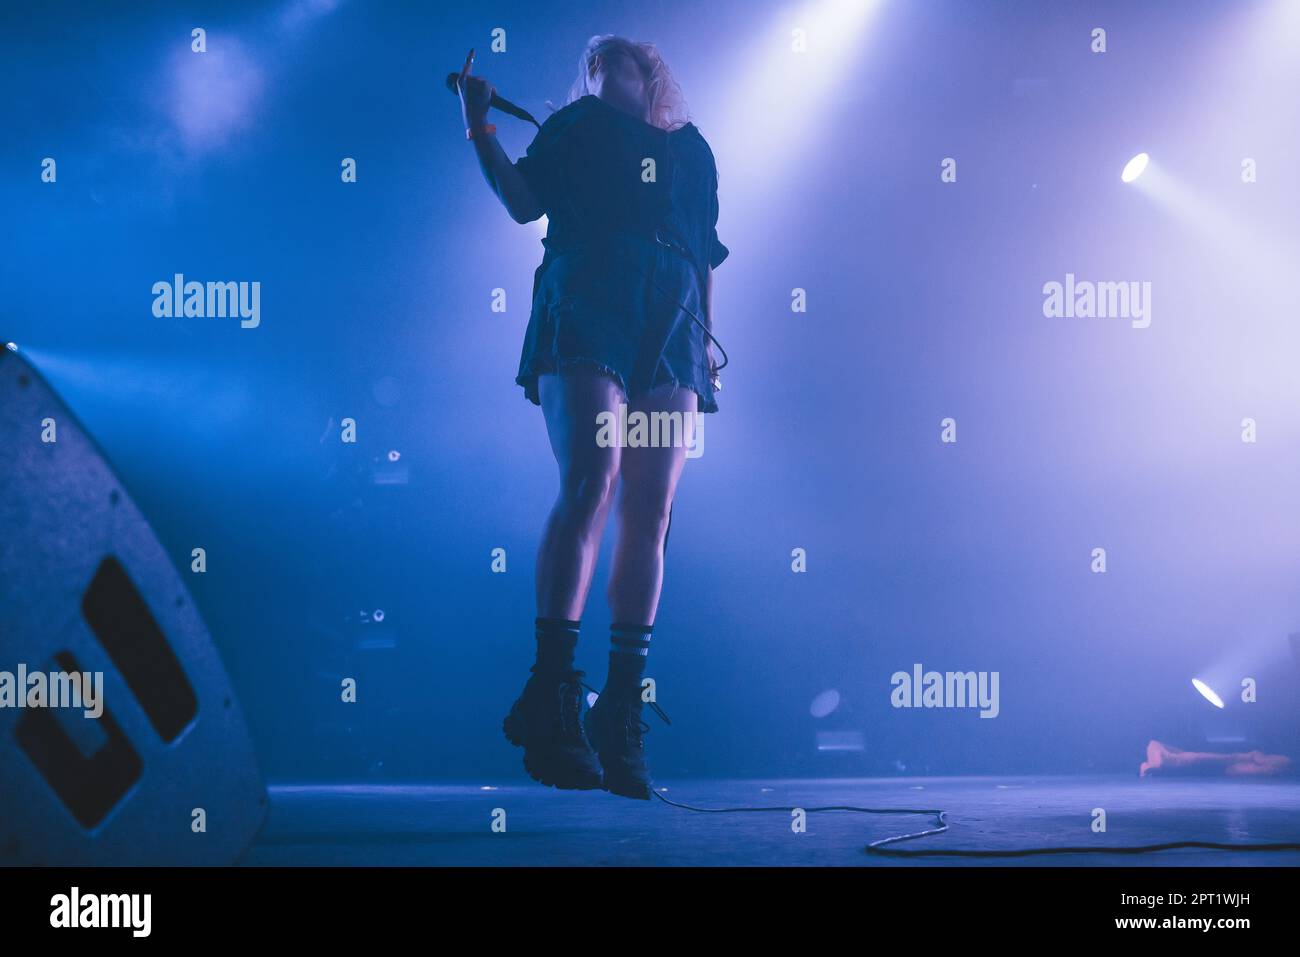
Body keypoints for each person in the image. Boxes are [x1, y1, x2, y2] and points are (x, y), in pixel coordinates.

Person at [456, 35, 729, 799]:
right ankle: (552, 693)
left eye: (619, 60)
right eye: (594, 63)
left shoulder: (695, 151)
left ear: (650, 73)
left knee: (653, 506)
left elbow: (704, 252)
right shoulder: (573, 126)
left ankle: (619, 707)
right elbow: (520, 201)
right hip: (591, 298)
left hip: (672, 320)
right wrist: (479, 126)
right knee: (592, 478)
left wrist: (705, 342)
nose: (603, 69)